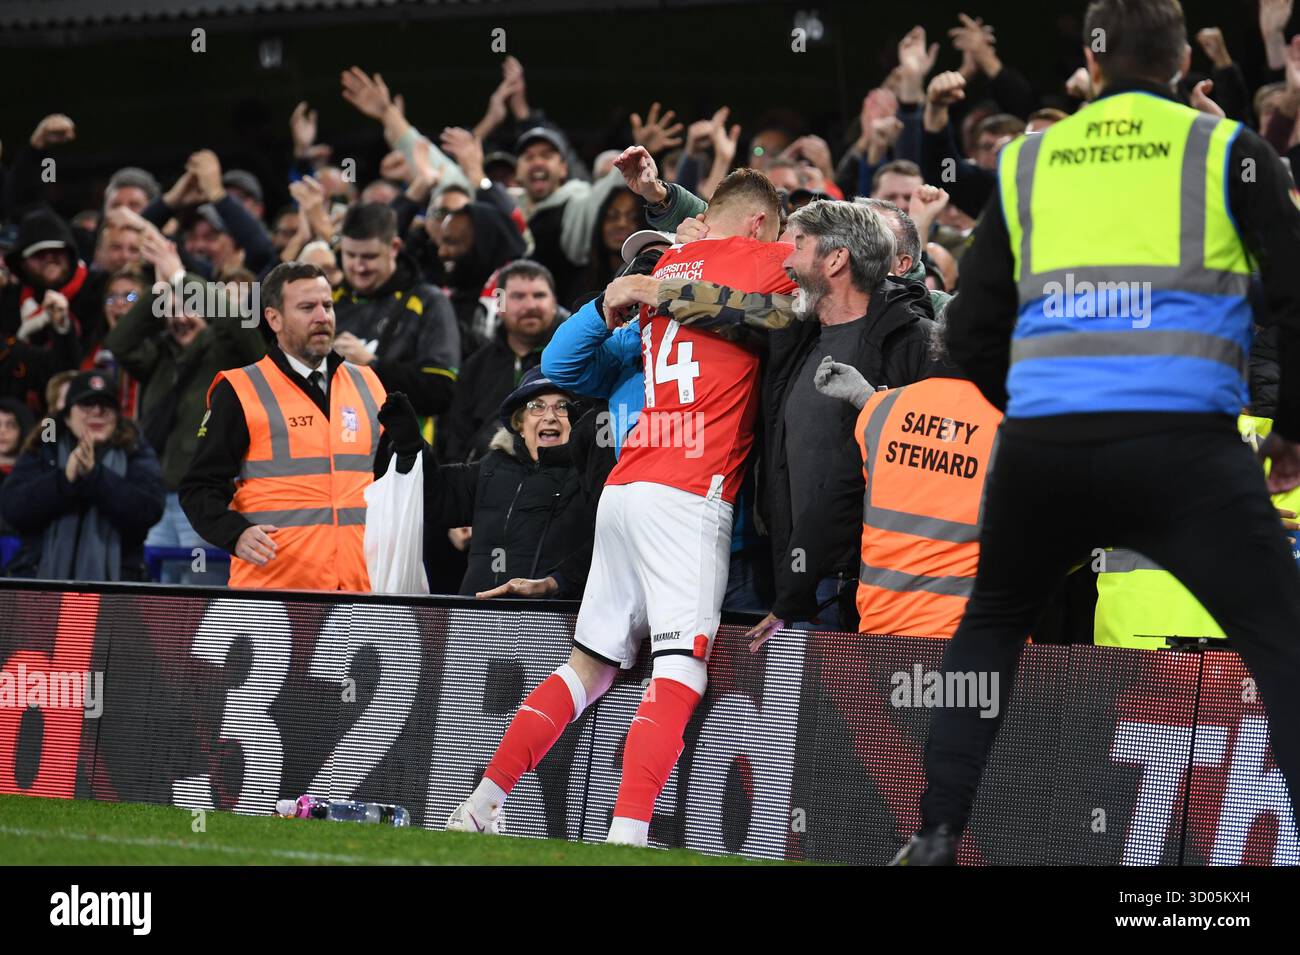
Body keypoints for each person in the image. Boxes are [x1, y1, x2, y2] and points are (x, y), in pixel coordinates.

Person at [892, 0, 1300, 865]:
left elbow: (969, 330)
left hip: (1047, 447)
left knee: (992, 626)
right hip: (1187, 448)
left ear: (1092, 57)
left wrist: (1037, 405)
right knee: (1281, 640)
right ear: (1184, 57)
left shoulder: (1028, 162)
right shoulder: (1228, 150)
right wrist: (1292, 431)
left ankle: (934, 830)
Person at [445, 164, 796, 844]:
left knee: (588, 667)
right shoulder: (762, 258)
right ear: (760, 224)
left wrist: (675, 222)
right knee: (680, 668)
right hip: (690, 494)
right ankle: (628, 835)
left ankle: (482, 802)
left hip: (628, 484)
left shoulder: (672, 266)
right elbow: (836, 268)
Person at [745, 316, 1003, 643]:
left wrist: (790, 598)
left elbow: (829, 513)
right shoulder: (1014, 430)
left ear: (938, 344)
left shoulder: (882, 412)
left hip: (885, 637)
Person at [179, 262, 386, 591]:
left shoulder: (368, 383)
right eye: (307, 308)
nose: (322, 317)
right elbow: (199, 487)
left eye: (328, 306)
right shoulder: (241, 389)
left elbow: (395, 480)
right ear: (274, 318)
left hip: (359, 588)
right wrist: (235, 533)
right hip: (274, 591)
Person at [106, 230, 265, 584]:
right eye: (174, 310)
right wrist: (159, 292)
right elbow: (120, 343)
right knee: (156, 596)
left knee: (199, 595)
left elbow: (242, 328)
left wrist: (180, 278)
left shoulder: (229, 354)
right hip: (157, 494)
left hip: (206, 500)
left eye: (191, 306)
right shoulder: (159, 357)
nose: (181, 318)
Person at [376, 370, 595, 598]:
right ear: (519, 423)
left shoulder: (590, 476)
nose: (550, 416)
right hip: (478, 620)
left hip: (551, 622)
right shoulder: (490, 468)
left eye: (562, 407)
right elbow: (435, 498)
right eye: (536, 406)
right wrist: (410, 447)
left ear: (577, 421)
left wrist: (555, 583)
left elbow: (605, 549)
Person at [2, 371, 165, 581]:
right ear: (68, 416)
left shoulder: (135, 450)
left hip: (118, 589)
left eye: (106, 406)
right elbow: (13, 508)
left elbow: (148, 509)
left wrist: (95, 477)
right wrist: (65, 481)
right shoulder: (43, 448)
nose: (97, 411)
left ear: (117, 415)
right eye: (86, 405)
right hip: (39, 584)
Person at [332, 203, 460, 418]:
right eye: (350, 255)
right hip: (339, 443)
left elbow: (441, 391)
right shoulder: (328, 301)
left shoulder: (429, 302)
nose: (358, 267)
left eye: (369, 257)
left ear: (394, 247)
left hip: (403, 447)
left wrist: (371, 366)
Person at [442, 260, 563, 464]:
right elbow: (456, 442)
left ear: (554, 303)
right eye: (518, 297)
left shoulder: (575, 361)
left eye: (539, 295)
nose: (531, 305)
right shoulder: (475, 367)